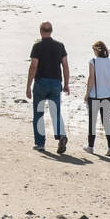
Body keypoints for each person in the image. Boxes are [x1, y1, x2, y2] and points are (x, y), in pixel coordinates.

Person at [26, 21, 69, 153]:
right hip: (56, 82)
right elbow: (65, 65)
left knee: (39, 114)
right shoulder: (60, 46)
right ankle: (61, 135)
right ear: (51, 31)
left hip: (41, 83)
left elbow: (33, 66)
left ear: (41, 31)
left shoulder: (37, 46)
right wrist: (66, 84)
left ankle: (40, 143)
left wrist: (28, 86)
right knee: (55, 112)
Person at [85, 41, 110, 156]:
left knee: (92, 122)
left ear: (97, 50)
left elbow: (91, 79)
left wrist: (86, 94)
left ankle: (90, 147)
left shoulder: (93, 61)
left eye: (94, 49)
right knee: (106, 122)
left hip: (95, 95)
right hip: (108, 96)